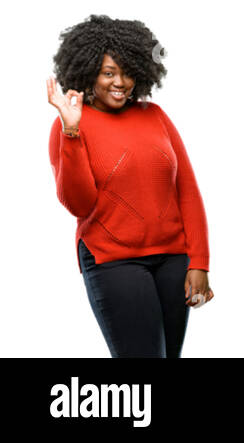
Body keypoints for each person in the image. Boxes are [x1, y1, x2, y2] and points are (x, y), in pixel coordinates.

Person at [46, 15, 212, 358]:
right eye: (108, 73)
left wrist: (199, 262)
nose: (119, 82)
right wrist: (72, 133)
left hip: (172, 260)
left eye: (127, 71)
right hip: (113, 260)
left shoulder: (155, 115)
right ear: (89, 71)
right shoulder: (69, 126)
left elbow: (187, 191)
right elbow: (79, 204)